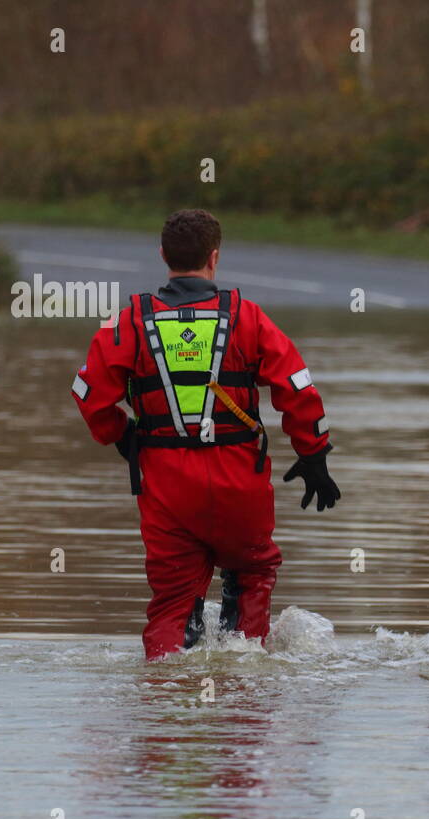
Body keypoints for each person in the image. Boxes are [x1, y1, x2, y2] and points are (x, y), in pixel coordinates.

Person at [72, 209, 340, 660]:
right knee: (252, 574)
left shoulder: (129, 324)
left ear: (163, 256)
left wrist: (122, 436)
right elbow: (297, 387)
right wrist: (313, 454)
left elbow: (88, 396)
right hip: (241, 482)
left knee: (173, 601)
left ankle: (165, 707)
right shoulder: (248, 318)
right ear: (214, 258)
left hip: (166, 486)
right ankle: (242, 692)